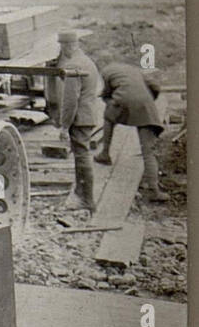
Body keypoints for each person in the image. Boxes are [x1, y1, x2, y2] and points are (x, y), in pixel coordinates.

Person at [94, 61, 167, 202]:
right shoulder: (135, 70)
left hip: (123, 99)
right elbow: (155, 86)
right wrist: (148, 100)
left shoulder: (106, 71)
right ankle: (154, 190)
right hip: (146, 104)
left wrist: (107, 100)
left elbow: (106, 93)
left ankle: (105, 153)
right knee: (148, 151)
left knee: (108, 117)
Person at [45, 30, 100, 212]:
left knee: (82, 156)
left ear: (67, 46)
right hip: (88, 114)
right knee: (82, 155)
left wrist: (64, 126)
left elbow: (70, 101)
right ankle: (81, 193)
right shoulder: (86, 61)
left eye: (61, 47)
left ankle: (87, 200)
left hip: (79, 118)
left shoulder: (74, 65)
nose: (61, 51)